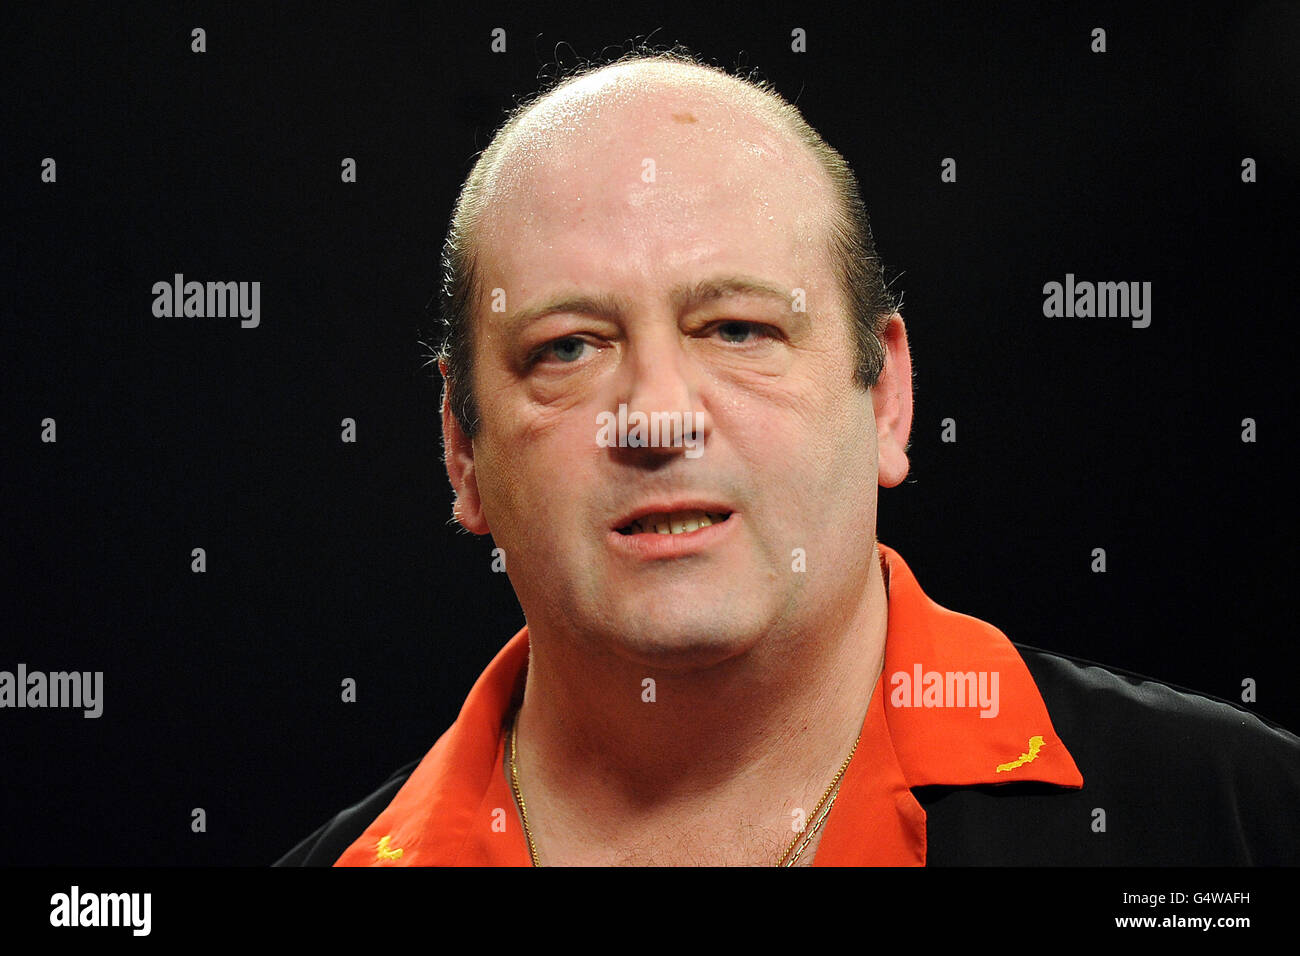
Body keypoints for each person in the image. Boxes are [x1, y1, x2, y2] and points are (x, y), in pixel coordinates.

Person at [277, 49, 1300, 867]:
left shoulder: (1241, 821)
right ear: (462, 452)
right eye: (568, 348)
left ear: (887, 398)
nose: (657, 418)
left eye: (736, 329)